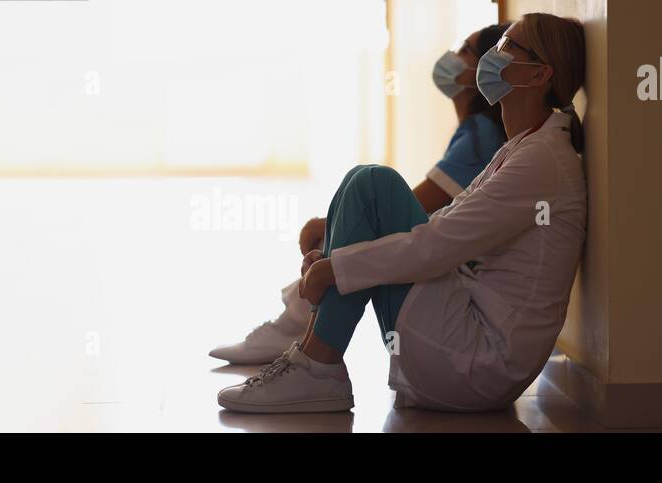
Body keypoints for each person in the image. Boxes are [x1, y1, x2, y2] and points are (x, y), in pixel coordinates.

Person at [217, 13, 588, 413]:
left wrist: (335, 268)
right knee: (363, 180)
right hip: (468, 340)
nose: (491, 58)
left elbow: (438, 245)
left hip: (480, 361)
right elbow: (442, 228)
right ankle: (313, 355)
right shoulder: (524, 148)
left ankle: (317, 366)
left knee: (375, 184)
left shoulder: (543, 159)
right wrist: (335, 259)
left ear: (538, 76)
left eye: (507, 47)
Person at [209, 23, 511, 365]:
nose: (452, 57)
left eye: (464, 50)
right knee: (359, 195)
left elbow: (413, 208)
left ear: (485, 69)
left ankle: (296, 327)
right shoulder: (475, 132)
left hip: (455, 285)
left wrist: (331, 226)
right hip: (453, 276)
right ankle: (296, 325)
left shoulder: (480, 135)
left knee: (367, 193)